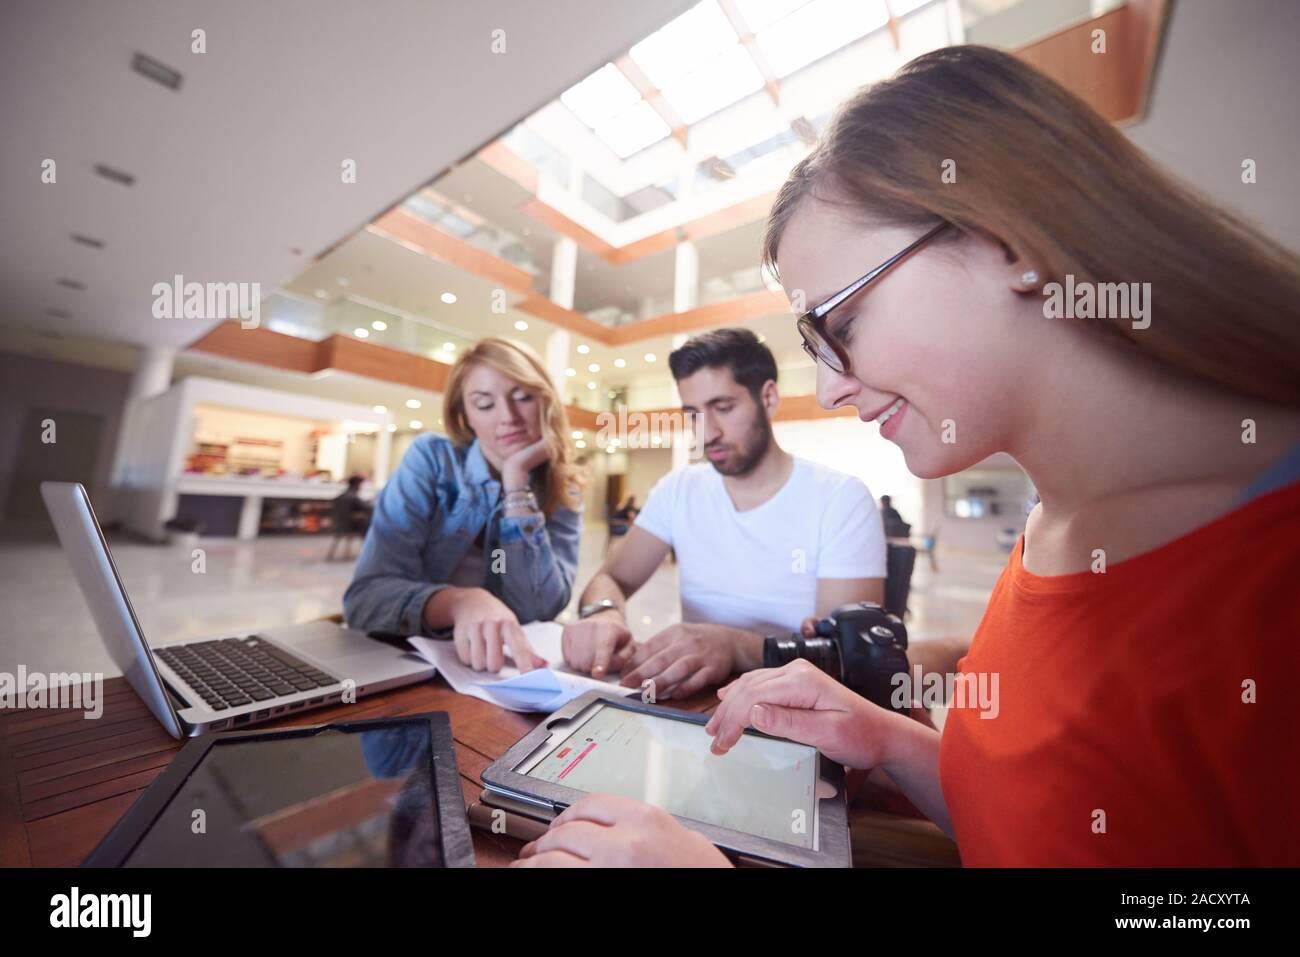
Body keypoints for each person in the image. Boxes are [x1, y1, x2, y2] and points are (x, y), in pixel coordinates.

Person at [515, 46, 1300, 867]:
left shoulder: (1270, 583)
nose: (829, 387)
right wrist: (886, 740)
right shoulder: (1059, 523)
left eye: (840, 326)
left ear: (1010, 238)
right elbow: (1038, 822)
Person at [560, 327, 886, 699]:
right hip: (695, 706)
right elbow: (611, 579)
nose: (707, 433)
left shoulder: (840, 500)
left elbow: (848, 659)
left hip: (795, 714)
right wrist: (604, 612)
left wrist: (734, 647)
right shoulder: (678, 489)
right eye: (693, 414)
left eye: (723, 408)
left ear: (768, 397)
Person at [344, 337, 583, 672]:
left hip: (496, 673)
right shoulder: (431, 459)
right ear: (465, 415)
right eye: (485, 404)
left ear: (547, 403)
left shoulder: (564, 488)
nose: (508, 417)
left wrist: (516, 487)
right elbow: (365, 601)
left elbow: (537, 609)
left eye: (523, 398)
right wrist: (459, 601)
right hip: (403, 660)